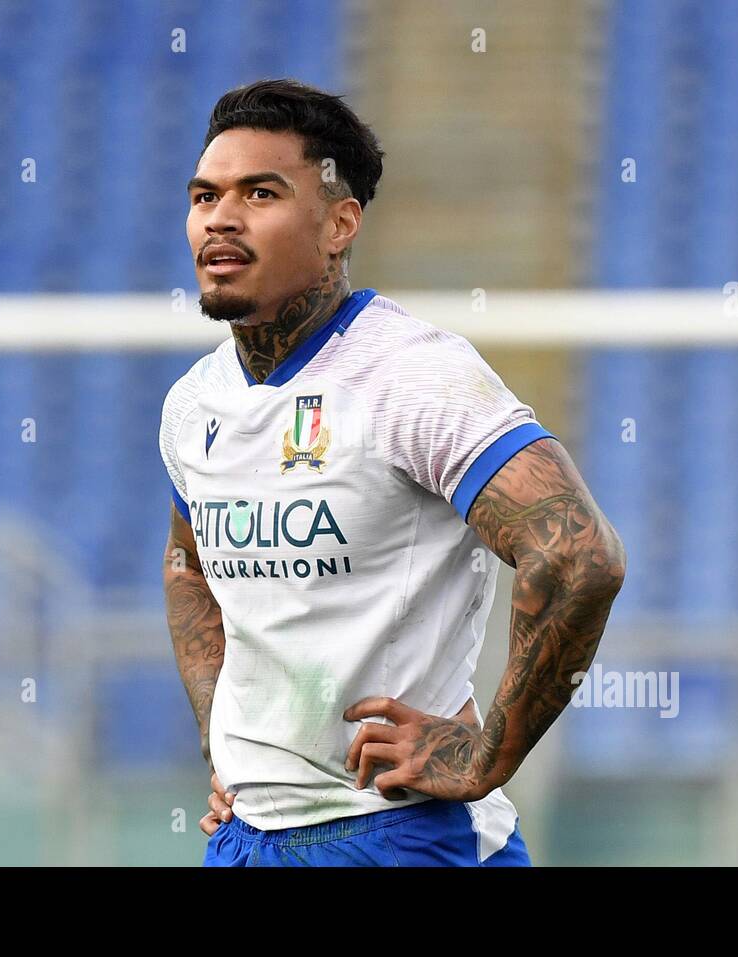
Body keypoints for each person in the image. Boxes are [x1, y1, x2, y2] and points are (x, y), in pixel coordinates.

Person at [160, 78, 626, 866]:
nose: (221, 218)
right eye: (205, 196)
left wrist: (487, 753)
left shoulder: (412, 375)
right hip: (246, 841)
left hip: (398, 836)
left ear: (341, 222)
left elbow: (579, 554)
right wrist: (227, 746)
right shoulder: (193, 402)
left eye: (260, 193)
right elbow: (188, 566)